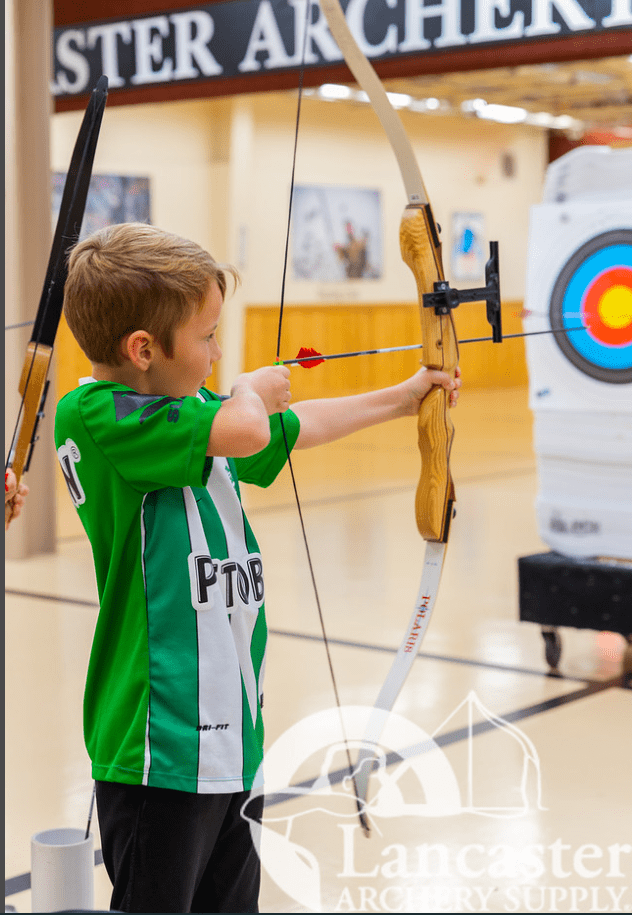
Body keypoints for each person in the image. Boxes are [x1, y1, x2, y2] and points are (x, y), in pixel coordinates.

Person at [54, 222, 460, 914]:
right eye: (207, 336)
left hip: (232, 742)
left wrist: (407, 395)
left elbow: (287, 428)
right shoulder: (97, 414)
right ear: (143, 349)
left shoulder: (192, 412)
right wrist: (250, 391)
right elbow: (248, 424)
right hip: (159, 750)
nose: (216, 355)